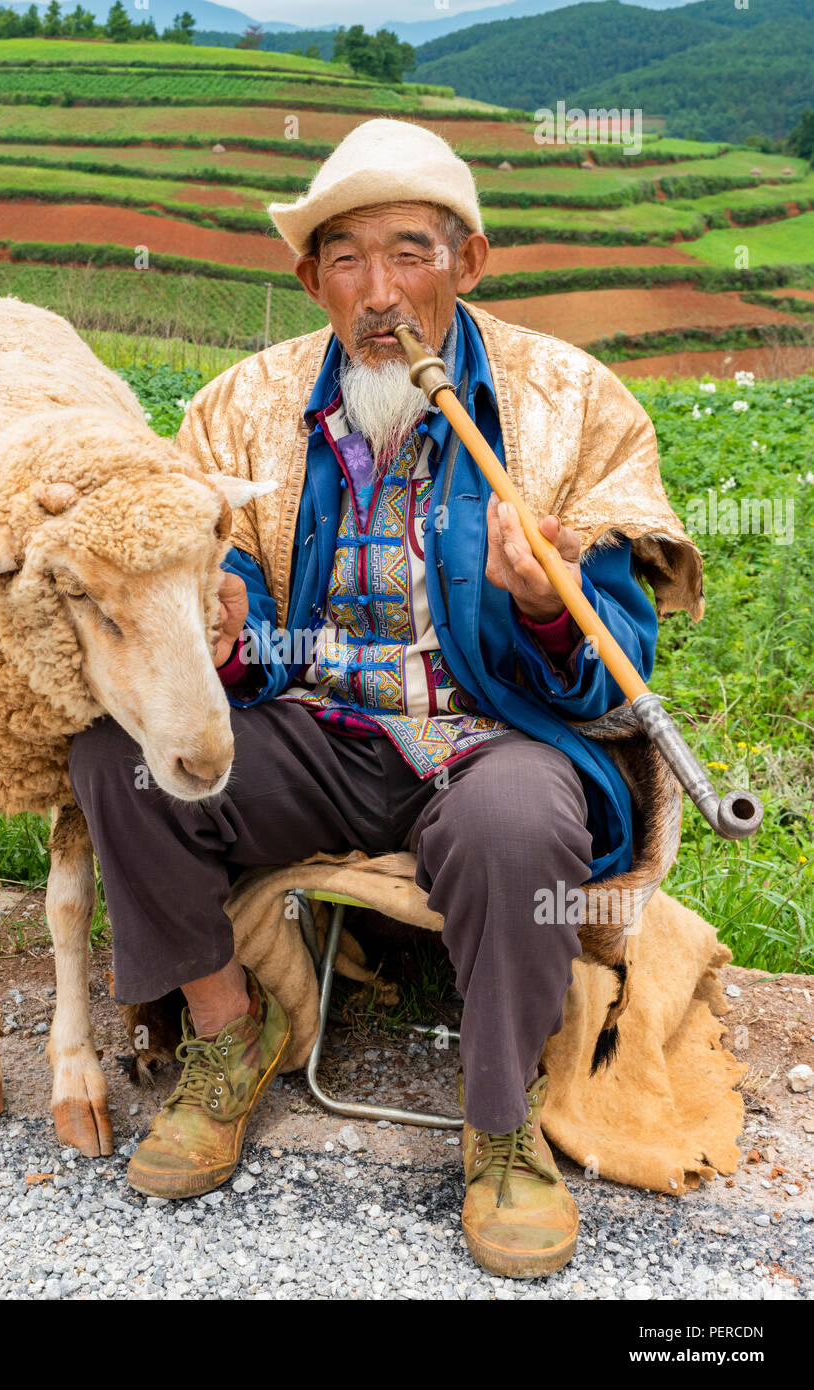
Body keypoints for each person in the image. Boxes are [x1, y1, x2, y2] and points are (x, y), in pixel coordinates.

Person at [68, 118, 701, 1278]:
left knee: (517, 821)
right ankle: (228, 1035)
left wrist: (545, 605)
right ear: (309, 279)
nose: (380, 294)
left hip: (491, 738)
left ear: (468, 261)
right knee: (120, 756)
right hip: (321, 728)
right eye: (345, 259)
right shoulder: (237, 410)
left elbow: (619, 660)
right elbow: (233, 597)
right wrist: (228, 626)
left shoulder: (569, 403)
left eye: (410, 252)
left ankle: (501, 1120)